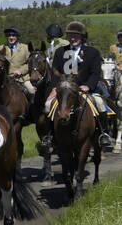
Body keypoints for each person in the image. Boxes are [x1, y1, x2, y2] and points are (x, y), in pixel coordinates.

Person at [49, 21, 117, 150]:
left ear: (82, 37)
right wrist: (54, 87)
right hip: (64, 90)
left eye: (76, 35)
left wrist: (88, 86)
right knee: (48, 105)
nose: (73, 38)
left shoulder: (92, 52)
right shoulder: (60, 52)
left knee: (100, 103)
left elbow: (95, 72)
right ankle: (50, 136)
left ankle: (103, 134)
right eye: (70, 35)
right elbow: (55, 72)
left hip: (84, 88)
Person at [0, 26, 35, 98]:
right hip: (5, 78)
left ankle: (33, 109)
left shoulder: (25, 48)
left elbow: (30, 63)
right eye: (9, 35)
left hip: (22, 78)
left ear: (18, 36)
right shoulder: (0, 48)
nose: (11, 37)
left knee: (31, 90)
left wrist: (21, 70)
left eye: (13, 35)